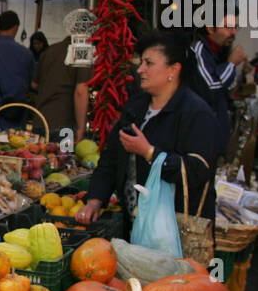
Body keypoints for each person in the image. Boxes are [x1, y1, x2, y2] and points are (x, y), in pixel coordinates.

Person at [77, 31, 221, 237]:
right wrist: (95, 200)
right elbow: (111, 157)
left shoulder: (197, 114)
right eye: (141, 62)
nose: (140, 69)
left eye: (149, 63)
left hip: (174, 233)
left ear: (173, 69)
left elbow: (198, 172)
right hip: (135, 225)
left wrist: (150, 153)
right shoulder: (136, 106)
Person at [190, 13, 246, 143]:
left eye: (236, 28)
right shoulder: (198, 50)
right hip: (200, 135)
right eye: (228, 27)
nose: (234, 33)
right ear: (210, 28)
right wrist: (231, 64)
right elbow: (210, 89)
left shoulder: (216, 51)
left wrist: (230, 94)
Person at [33, 35, 91, 143]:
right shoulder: (81, 52)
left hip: (39, 122)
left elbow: (34, 84)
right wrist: (81, 129)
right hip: (64, 127)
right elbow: (80, 91)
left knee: (40, 158)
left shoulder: (50, 50)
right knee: (65, 159)